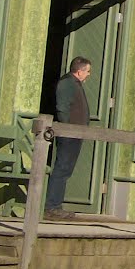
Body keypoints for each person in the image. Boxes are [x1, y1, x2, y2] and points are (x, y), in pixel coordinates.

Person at [45, 56, 92, 218]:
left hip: (75, 133)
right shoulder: (67, 83)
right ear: (79, 71)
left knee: (66, 170)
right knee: (62, 169)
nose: (88, 74)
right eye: (87, 71)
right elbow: (62, 108)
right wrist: (67, 128)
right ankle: (52, 207)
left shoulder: (75, 84)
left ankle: (55, 205)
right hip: (68, 134)